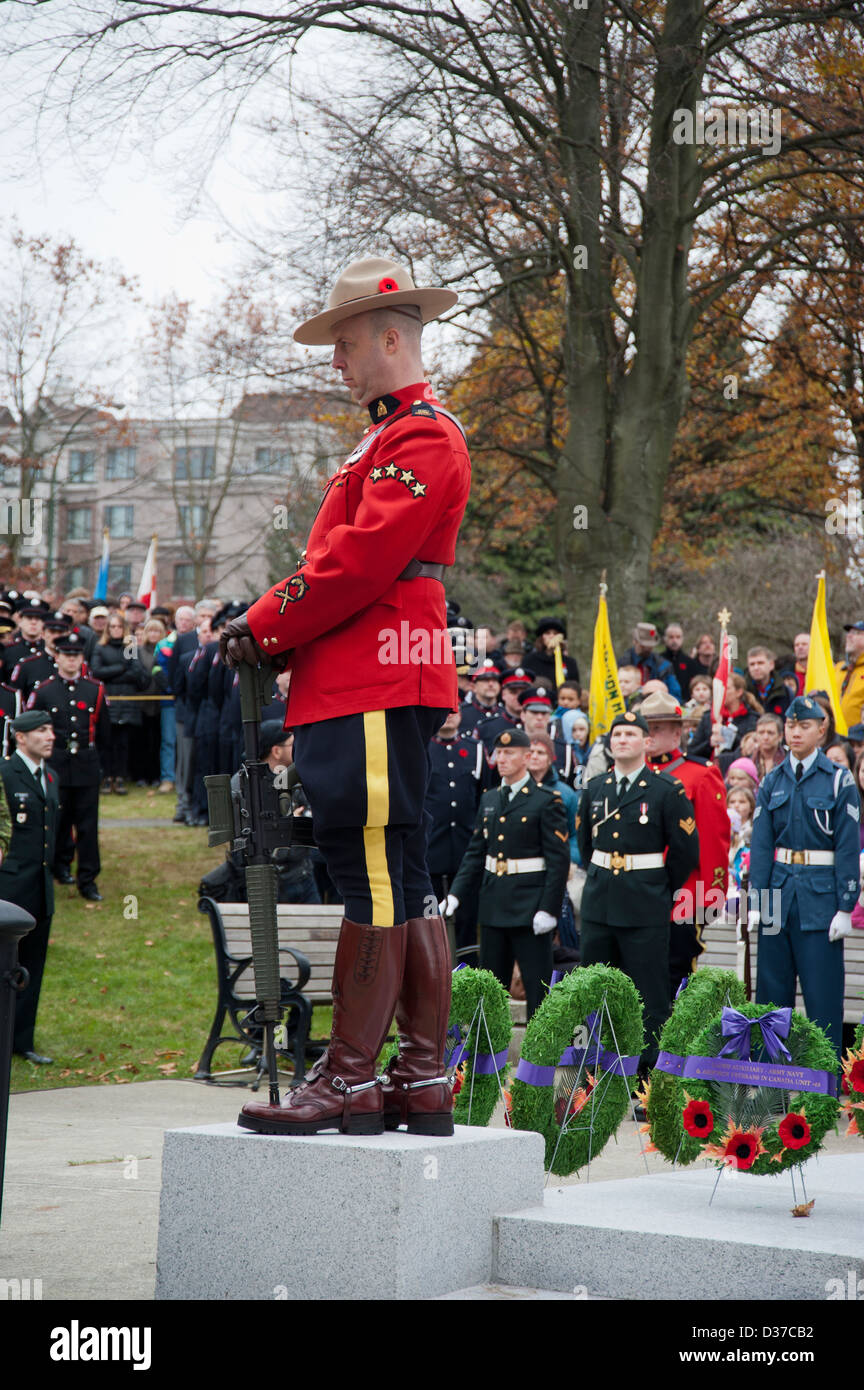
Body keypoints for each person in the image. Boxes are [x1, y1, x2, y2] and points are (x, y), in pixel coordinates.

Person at [220, 255, 470, 1138]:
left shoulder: (421, 436)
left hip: (373, 676)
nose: (336, 361)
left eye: (347, 343)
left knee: (371, 871)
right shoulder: (384, 438)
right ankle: (417, 1078)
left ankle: (355, 1078)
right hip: (363, 675)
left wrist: (262, 620)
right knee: (402, 878)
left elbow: (353, 563)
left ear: (392, 338)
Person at [576, 709, 700, 1071]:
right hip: (600, 902)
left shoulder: (665, 790)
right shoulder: (595, 788)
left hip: (645, 904)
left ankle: (646, 1075)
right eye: (617, 735)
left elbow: (684, 851)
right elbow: (586, 846)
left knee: (649, 992)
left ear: (646, 743)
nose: (622, 741)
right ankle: (593, 1069)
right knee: (594, 986)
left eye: (630, 735)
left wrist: (658, 887)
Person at [749, 695, 859, 1062]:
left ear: (822, 729)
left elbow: (846, 848)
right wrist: (757, 901)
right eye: (791, 725)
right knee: (770, 996)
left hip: (820, 900)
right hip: (779, 896)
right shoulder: (772, 780)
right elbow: (762, 848)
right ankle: (769, 1092)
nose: (795, 732)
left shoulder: (838, 780)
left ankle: (822, 1092)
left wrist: (846, 906)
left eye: (804, 726)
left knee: (822, 998)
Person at [444, 728, 570, 1018]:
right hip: (494, 902)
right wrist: (456, 894)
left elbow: (557, 861)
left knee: (537, 988)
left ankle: (539, 1059)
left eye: (509, 753)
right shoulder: (490, 799)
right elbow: (476, 853)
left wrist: (548, 909)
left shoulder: (545, 800)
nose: (502, 759)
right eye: (499, 752)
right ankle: (489, 1057)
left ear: (526, 757)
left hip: (530, 907)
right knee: (491, 987)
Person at [641, 689, 730, 998]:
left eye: (658, 728)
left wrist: (711, 897)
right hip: (635, 895)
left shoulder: (700, 774)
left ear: (677, 732)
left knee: (673, 980)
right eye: (646, 727)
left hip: (683, 897)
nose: (649, 735)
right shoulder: (627, 773)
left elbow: (713, 841)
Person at [27, 631, 111, 901]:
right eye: (66, 655)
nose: (71, 661)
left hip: (86, 766)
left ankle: (88, 879)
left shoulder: (95, 689)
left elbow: (105, 731)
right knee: (56, 822)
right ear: (58, 657)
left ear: (82, 658)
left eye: (76, 656)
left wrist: (102, 766)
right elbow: (32, 729)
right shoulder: (44, 690)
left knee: (87, 826)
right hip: (56, 766)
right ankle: (57, 869)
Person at [0, 710, 60, 1064]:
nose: (50, 736)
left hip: (40, 889)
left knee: (32, 968)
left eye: (51, 730)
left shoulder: (49, 776)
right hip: (11, 888)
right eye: (41, 730)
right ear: (20, 737)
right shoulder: (7, 774)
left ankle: (22, 1040)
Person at [90, 613, 150, 794]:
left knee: (123, 743)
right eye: (112, 627)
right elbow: (97, 672)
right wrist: (121, 669)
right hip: (108, 701)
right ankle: (107, 776)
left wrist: (115, 673)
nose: (115, 630)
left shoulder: (129, 647)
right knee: (106, 742)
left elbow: (136, 673)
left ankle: (120, 776)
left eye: (118, 626)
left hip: (127, 701)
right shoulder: (101, 647)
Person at [618, 622, 682, 699]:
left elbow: (675, 695)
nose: (647, 649)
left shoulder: (664, 666)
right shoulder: (622, 664)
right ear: (635, 641)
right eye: (643, 646)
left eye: (650, 646)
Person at [527, 617, 580, 686]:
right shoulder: (530, 660)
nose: (552, 636)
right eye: (547, 633)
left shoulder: (570, 663)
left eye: (555, 633)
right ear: (541, 637)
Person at [745, 645, 789, 720]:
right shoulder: (742, 692)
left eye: (760, 663)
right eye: (752, 664)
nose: (756, 668)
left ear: (771, 665)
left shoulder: (785, 692)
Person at [836, 620, 864, 730]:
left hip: (858, 741)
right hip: (833, 738)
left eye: (856, 633)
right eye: (849, 633)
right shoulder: (838, 668)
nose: (849, 636)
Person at [754, 712, 785, 782]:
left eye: (770, 733)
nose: (765, 737)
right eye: (761, 732)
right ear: (756, 735)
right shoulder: (749, 760)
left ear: (780, 736)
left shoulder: (788, 760)